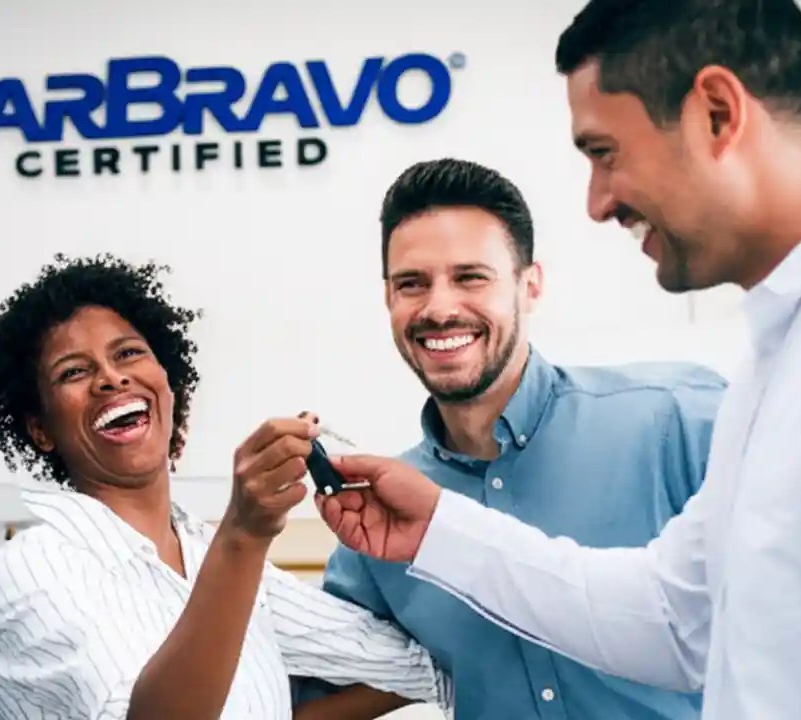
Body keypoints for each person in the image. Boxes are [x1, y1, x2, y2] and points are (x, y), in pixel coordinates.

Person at [315, 1, 801, 719]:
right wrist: (440, 531)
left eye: (604, 153)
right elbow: (677, 621)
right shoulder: (785, 357)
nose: (597, 202)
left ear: (716, 113)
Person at [310, 157, 726, 720]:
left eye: (470, 277)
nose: (439, 307)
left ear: (530, 285)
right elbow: (302, 705)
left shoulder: (679, 421)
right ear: (388, 298)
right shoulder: (375, 521)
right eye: (412, 283)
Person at [0, 253, 451, 720]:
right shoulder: (33, 568)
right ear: (39, 429)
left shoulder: (205, 553)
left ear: (169, 385)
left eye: (128, 353)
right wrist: (243, 534)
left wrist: (449, 535)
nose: (111, 377)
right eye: (74, 372)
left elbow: (410, 664)